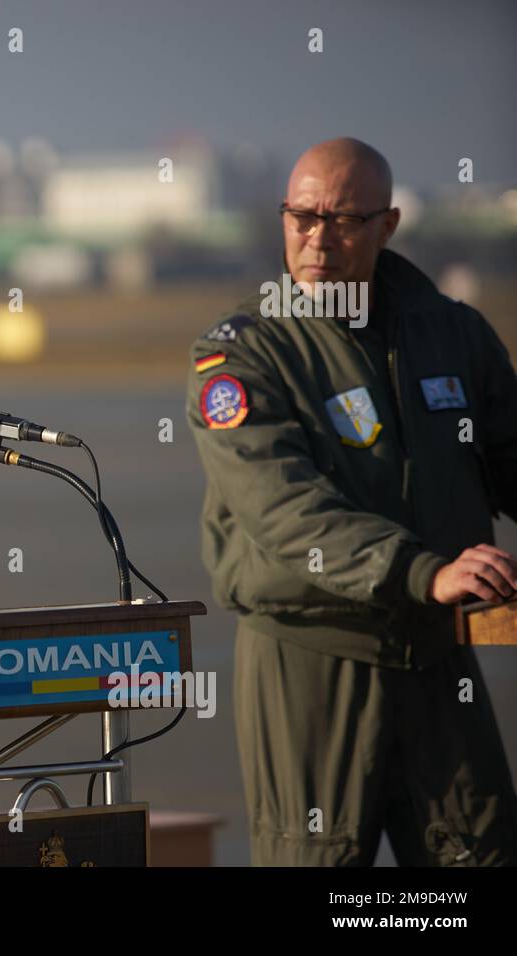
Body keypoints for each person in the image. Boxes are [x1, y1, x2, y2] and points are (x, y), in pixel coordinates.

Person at [186, 137, 517, 866]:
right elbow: (283, 509)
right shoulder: (243, 353)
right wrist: (420, 570)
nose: (316, 239)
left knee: (483, 855)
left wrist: (436, 586)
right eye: (300, 217)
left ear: (387, 225)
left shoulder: (451, 332)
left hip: (436, 654)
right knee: (320, 860)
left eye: (341, 220)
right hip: (314, 657)